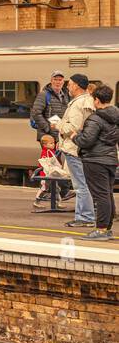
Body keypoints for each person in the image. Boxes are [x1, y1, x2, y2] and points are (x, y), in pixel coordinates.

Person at [73, 84, 118, 241]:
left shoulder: (96, 118)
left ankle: (100, 229)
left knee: (100, 195)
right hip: (111, 159)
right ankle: (107, 228)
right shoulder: (116, 116)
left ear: (97, 100)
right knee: (107, 194)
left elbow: (86, 141)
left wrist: (74, 136)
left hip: (95, 160)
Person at [57, 73, 97, 230]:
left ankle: (85, 217)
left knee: (80, 185)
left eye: (70, 84)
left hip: (74, 148)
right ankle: (85, 216)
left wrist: (59, 125)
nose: (68, 86)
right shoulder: (88, 101)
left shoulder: (78, 104)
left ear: (77, 86)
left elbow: (73, 128)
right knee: (84, 184)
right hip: (84, 148)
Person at [31, 133, 70, 208]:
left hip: (52, 174)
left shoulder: (51, 151)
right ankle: (36, 201)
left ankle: (58, 203)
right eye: (51, 143)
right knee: (44, 188)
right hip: (46, 174)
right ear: (45, 145)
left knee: (56, 189)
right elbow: (44, 163)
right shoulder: (45, 152)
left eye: (54, 143)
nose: (53, 144)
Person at [31, 71, 70, 143]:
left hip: (61, 134)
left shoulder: (66, 95)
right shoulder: (43, 94)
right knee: (50, 154)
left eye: (60, 80)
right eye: (55, 79)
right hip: (48, 136)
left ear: (63, 82)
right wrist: (48, 128)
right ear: (51, 81)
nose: (57, 82)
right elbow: (36, 113)